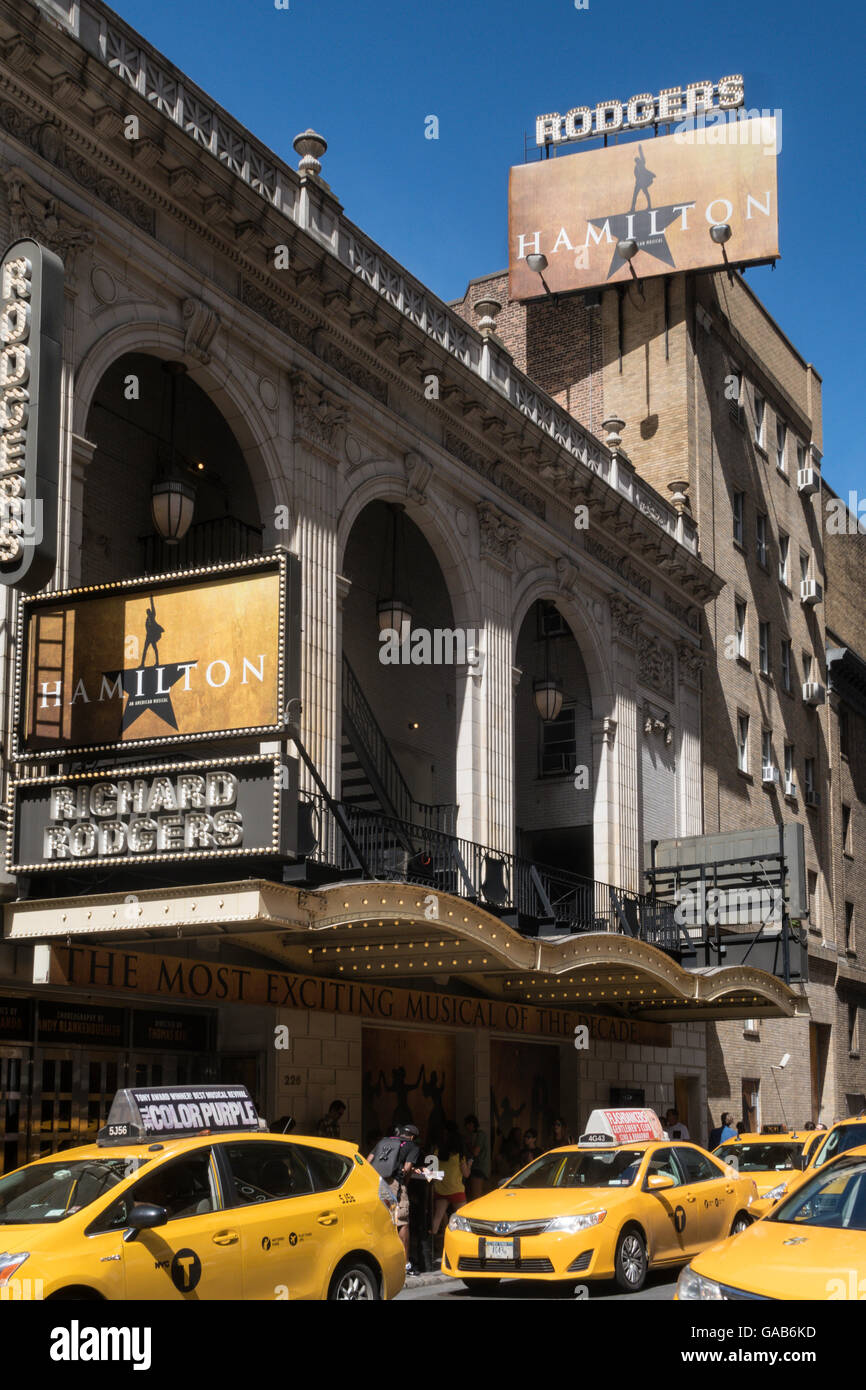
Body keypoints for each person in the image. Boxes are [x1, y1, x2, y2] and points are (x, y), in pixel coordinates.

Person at [368, 1124, 425, 1273]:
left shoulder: (384, 1141)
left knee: (381, 1220)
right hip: (394, 1184)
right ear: (412, 1137)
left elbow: (368, 1160)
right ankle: (405, 1264)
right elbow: (406, 1168)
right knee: (402, 1222)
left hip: (376, 1182)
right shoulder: (412, 1146)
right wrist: (404, 1182)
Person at [431, 1125, 471, 1242]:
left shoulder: (437, 1152)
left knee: (437, 1217)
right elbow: (466, 1174)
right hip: (456, 1190)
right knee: (464, 1217)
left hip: (441, 1189)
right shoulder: (459, 1156)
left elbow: (432, 1172)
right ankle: (464, 1241)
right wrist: (469, 1164)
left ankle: (432, 1245)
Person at [463, 1113, 489, 1200]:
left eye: (467, 1125)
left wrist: (468, 1144)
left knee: (476, 1196)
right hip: (475, 1167)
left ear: (471, 1124)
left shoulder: (480, 1135)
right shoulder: (475, 1135)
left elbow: (475, 1152)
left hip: (479, 1167)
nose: (466, 1128)